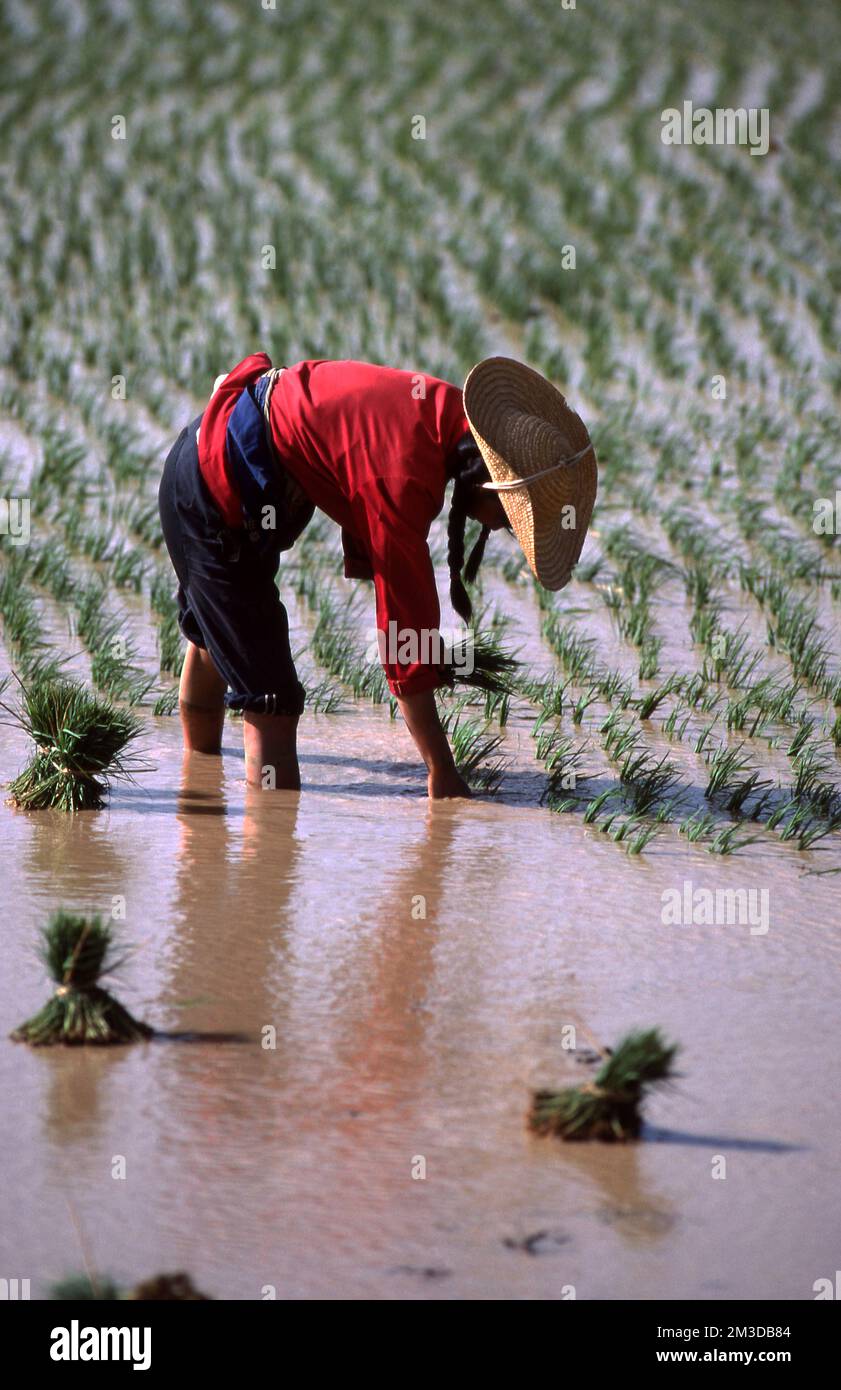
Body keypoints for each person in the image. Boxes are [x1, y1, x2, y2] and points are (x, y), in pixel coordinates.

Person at [158, 353, 597, 797]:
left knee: (214, 640)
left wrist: (428, 655)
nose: (501, 527)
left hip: (216, 461)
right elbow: (403, 643)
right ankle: (266, 856)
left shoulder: (442, 415)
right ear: (484, 482)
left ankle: (196, 800)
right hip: (211, 492)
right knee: (273, 700)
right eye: (509, 517)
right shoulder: (403, 480)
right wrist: (441, 770)